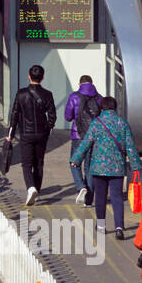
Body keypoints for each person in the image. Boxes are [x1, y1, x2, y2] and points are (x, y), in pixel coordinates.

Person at [70, 96, 141, 239]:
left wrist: (76, 159)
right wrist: (135, 166)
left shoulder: (97, 123)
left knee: (100, 197)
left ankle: (101, 226)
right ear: (115, 107)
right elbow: (130, 147)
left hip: (98, 168)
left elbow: (86, 142)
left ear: (102, 108)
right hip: (117, 168)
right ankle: (119, 227)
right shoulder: (123, 123)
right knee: (117, 197)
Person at [6, 64, 56, 206]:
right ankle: (37, 192)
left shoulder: (21, 94)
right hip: (41, 134)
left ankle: (31, 188)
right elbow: (52, 115)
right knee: (39, 163)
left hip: (26, 133)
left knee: (26, 163)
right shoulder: (48, 94)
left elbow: (15, 114)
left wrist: (10, 133)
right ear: (43, 77)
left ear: (29, 76)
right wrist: (48, 128)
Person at [64, 75, 103, 204]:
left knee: (74, 163)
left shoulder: (74, 97)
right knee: (89, 167)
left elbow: (68, 117)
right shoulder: (98, 98)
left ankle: (81, 187)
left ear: (79, 84)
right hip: (94, 137)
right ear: (92, 84)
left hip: (78, 136)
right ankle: (89, 201)